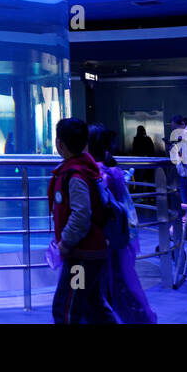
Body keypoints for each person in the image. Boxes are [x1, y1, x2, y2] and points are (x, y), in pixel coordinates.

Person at [49, 117, 118, 324]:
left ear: (60, 144)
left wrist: (65, 242)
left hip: (81, 257)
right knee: (92, 304)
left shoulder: (75, 175)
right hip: (91, 253)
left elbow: (80, 215)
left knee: (66, 306)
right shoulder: (86, 169)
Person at [88, 124, 156, 324]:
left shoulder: (98, 174)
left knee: (104, 286)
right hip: (118, 239)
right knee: (121, 283)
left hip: (102, 240)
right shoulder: (111, 171)